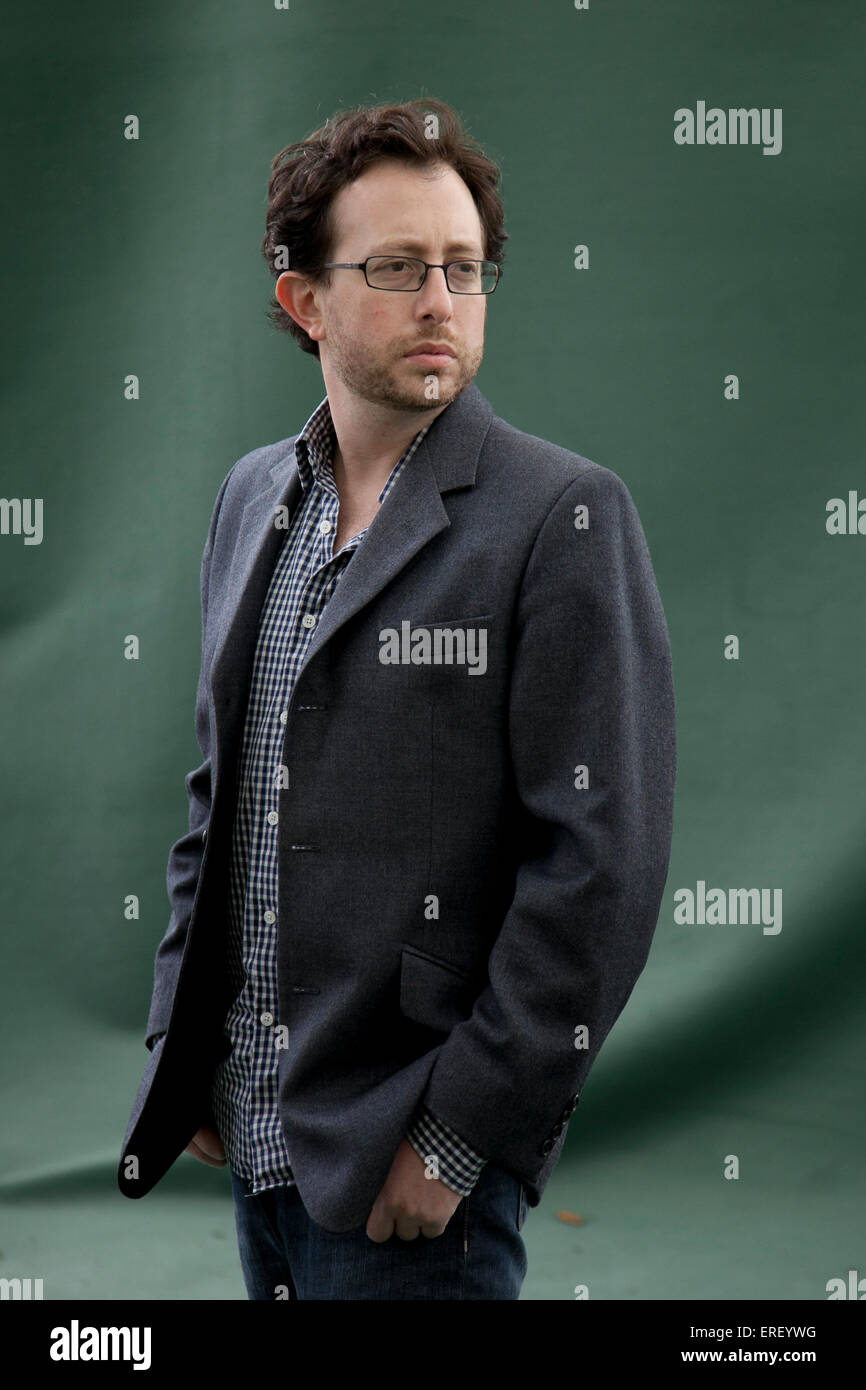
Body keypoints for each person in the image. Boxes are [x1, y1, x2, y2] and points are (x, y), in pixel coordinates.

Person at [118, 97, 676, 1301]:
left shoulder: (560, 518)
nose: (440, 299)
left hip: (410, 1183)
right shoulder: (249, 496)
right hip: (256, 1144)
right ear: (301, 299)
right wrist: (185, 1047)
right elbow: (218, 796)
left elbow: (601, 868)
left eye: (463, 269)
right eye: (396, 266)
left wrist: (457, 1137)